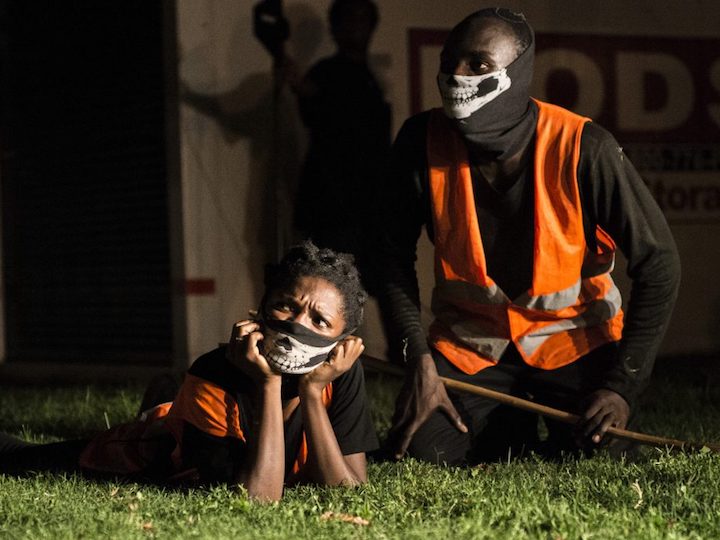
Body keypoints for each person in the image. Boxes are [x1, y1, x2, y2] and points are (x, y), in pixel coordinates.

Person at [379, 7, 681, 464]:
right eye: (450, 62)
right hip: (475, 349)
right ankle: (506, 425)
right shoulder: (419, 140)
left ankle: (518, 426)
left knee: (594, 451)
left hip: (576, 344)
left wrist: (621, 388)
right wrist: (416, 356)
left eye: (478, 65)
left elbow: (660, 265)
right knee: (424, 450)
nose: (456, 76)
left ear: (518, 73)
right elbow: (389, 253)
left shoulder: (584, 146)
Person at [0, 241, 378, 501]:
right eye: (286, 306)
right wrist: (268, 382)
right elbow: (258, 499)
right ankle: (163, 403)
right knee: (19, 456)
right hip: (153, 451)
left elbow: (347, 490)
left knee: (166, 408)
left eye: (319, 320)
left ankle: (164, 397)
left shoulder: (338, 374)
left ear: (341, 338)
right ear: (262, 307)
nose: (299, 325)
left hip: (185, 418)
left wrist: (312, 393)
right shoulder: (215, 371)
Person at [284, 0, 391, 288]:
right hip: (332, 206)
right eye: (349, 21)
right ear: (336, 28)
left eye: (362, 21)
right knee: (327, 286)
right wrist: (302, 88)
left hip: (367, 208)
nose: (356, 28)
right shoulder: (327, 72)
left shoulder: (370, 78)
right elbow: (315, 105)